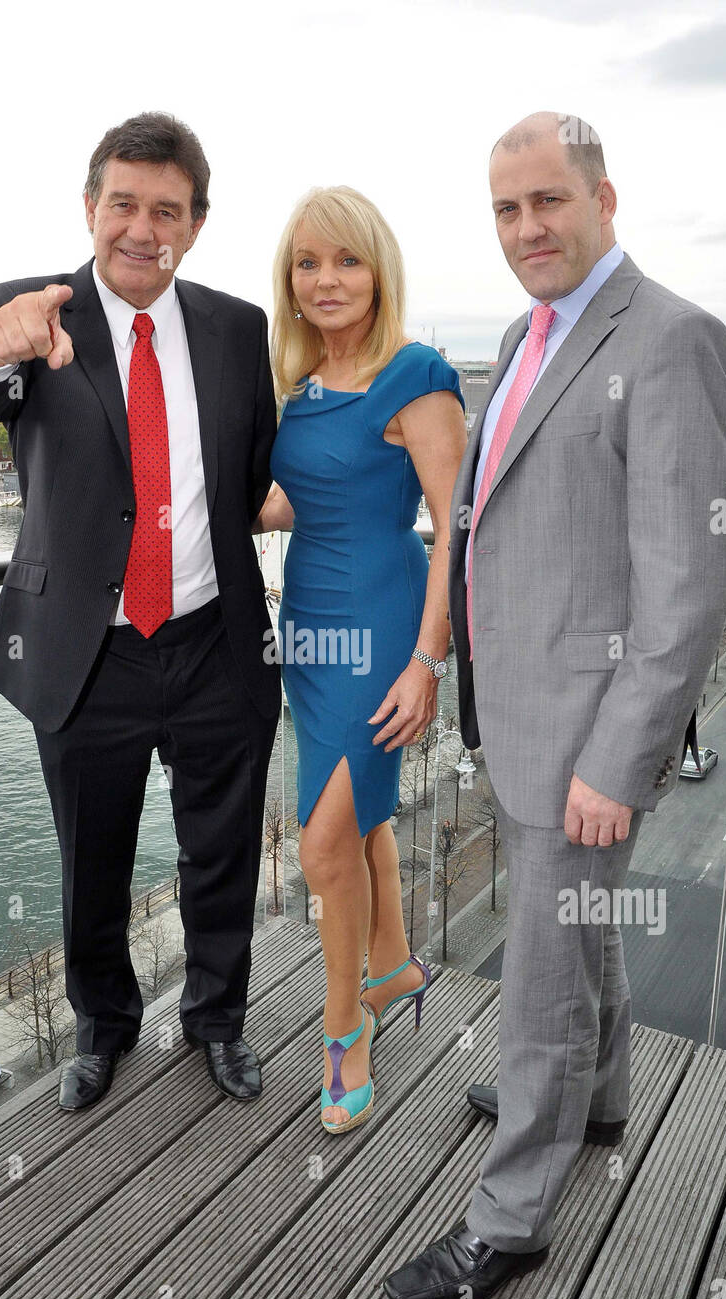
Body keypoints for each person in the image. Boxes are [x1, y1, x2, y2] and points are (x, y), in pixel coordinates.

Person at [384, 111, 726, 1299]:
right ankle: (596, 1097)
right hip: (523, 703)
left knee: (537, 963)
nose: (526, 227)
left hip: (588, 729)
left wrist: (617, 757)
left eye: (547, 201)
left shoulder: (677, 337)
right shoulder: (527, 330)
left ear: (603, 200)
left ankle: (510, 1215)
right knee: (574, 926)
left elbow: (691, 585)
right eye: (504, 209)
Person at [0, 112, 281, 1112]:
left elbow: (251, 475)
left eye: (164, 210)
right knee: (93, 858)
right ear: (90, 207)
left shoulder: (235, 328)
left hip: (216, 640)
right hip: (90, 653)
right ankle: (104, 1027)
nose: (140, 226)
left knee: (222, 847)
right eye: (121, 203)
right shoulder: (31, 311)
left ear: (195, 224)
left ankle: (217, 1019)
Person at [255, 187, 466, 1132]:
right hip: (307, 624)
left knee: (322, 842)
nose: (327, 280)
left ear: (378, 271)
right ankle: (394, 964)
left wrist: (429, 659)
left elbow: (454, 527)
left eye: (346, 261)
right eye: (308, 263)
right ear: (290, 283)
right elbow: (295, 499)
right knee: (358, 807)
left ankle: (345, 1031)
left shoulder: (414, 374)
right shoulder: (299, 384)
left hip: (383, 627)